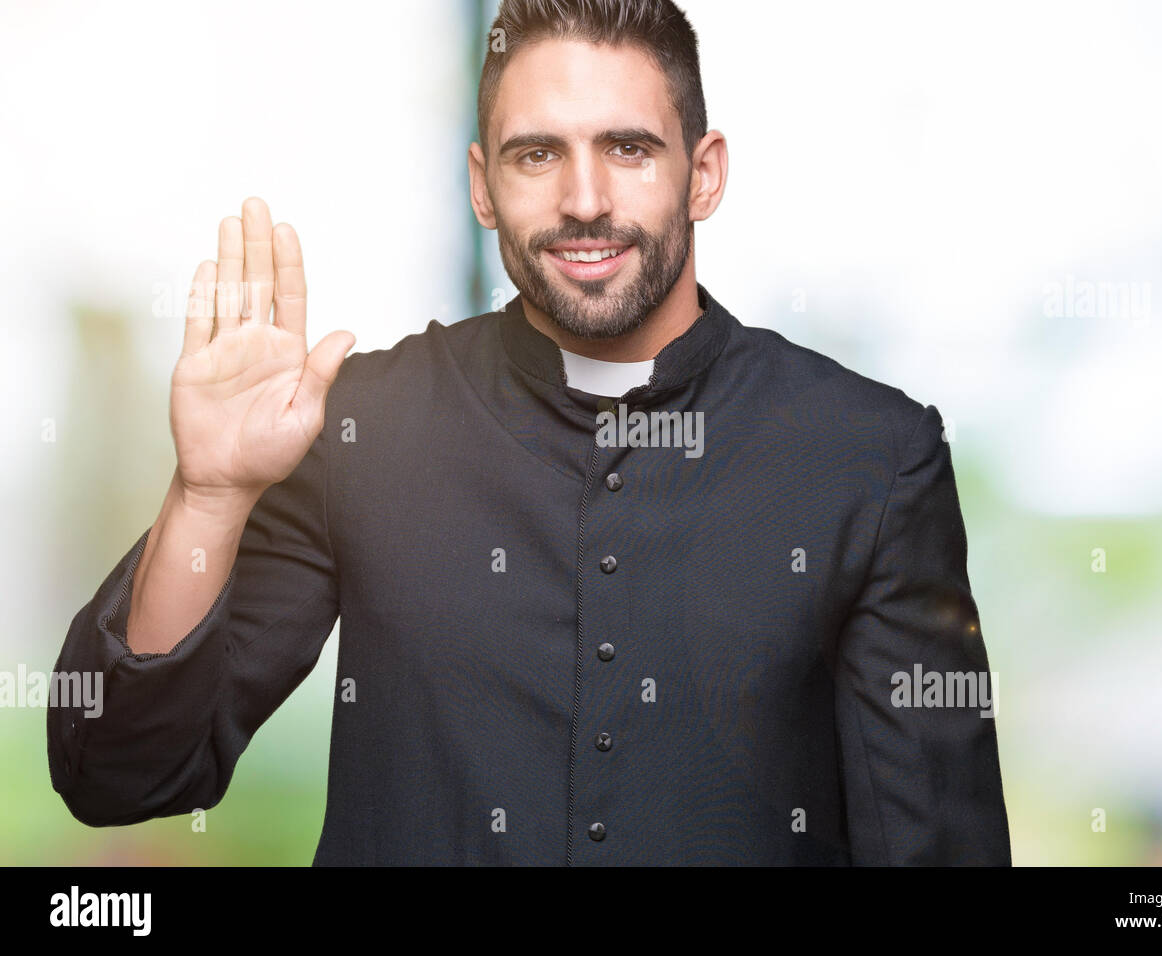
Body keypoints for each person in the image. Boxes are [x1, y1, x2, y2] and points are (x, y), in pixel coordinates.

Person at [48, 0, 1012, 865]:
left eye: (629, 148)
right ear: (482, 185)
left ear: (704, 174)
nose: (584, 199)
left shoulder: (869, 457)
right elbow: (119, 775)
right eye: (536, 153)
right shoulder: (357, 429)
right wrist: (207, 496)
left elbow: (938, 847)